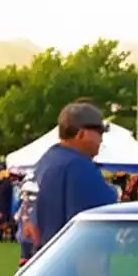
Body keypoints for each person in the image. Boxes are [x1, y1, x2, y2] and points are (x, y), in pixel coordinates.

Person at [33, 102, 118, 249]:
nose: (101, 140)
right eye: (99, 132)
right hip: (68, 262)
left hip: (39, 262)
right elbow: (92, 236)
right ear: (81, 133)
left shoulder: (45, 161)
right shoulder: (79, 166)